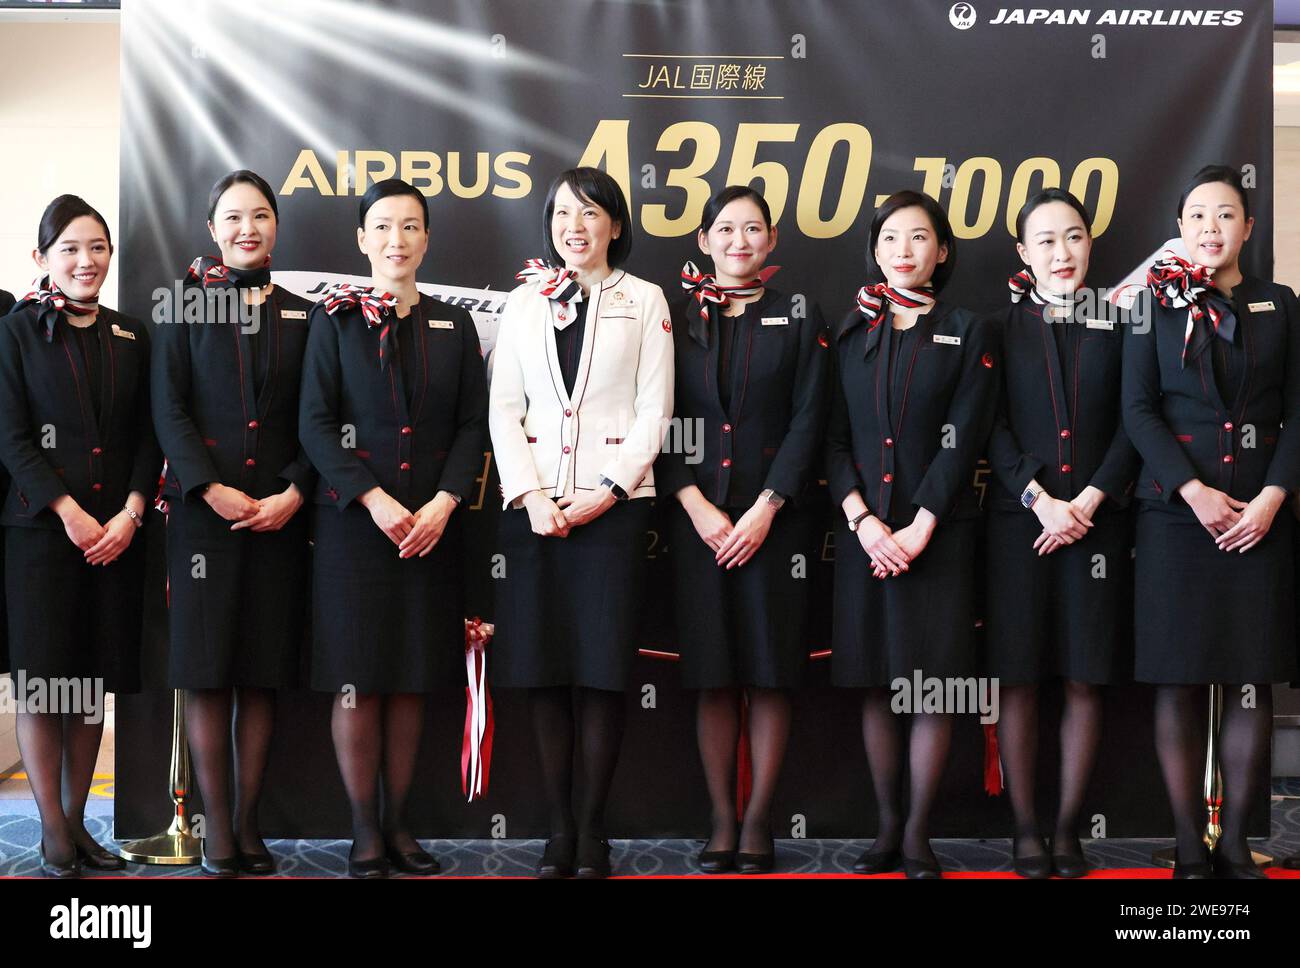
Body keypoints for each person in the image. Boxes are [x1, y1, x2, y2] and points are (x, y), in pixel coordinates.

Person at [299, 177, 488, 878]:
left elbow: (473, 425)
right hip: (355, 529)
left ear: (427, 240)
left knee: (410, 677)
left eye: (410, 227)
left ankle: (400, 824)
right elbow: (315, 425)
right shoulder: (334, 321)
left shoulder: (453, 323)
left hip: (432, 528)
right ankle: (362, 831)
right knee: (358, 680)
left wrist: (443, 503)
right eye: (382, 227)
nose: (396, 241)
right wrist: (374, 500)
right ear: (361, 239)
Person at [489, 166, 673, 878]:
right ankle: (557, 829)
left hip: (613, 515)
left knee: (599, 673)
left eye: (592, 213)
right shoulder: (523, 303)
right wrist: (530, 494)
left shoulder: (645, 299)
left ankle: (593, 830)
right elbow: (505, 409)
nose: (577, 226)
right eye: (564, 213)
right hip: (533, 516)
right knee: (544, 671)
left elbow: (654, 410)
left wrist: (605, 491)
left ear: (616, 226)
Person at [1123, 164, 1299, 879]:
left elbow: (1297, 412)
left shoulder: (1280, 305)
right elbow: (1138, 410)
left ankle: (1234, 842)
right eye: (1197, 216)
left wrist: (1272, 497)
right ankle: (1190, 844)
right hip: (1176, 519)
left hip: (1261, 517)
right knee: (1180, 680)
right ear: (1179, 227)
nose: (1210, 229)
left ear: (1248, 229)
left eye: (1225, 216)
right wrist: (1190, 490)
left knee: (1253, 678)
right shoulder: (1151, 307)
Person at [825, 190, 999, 878]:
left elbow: (966, 437)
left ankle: (920, 833)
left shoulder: (968, 329)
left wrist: (922, 524)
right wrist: (865, 522)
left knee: (930, 688)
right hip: (865, 540)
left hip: (939, 536)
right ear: (874, 248)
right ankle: (887, 828)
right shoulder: (851, 331)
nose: (904, 250)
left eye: (919, 237)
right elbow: (831, 440)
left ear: (943, 250)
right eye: (890, 237)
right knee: (875, 683)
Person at [655, 185, 829, 873]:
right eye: (725, 229)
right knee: (714, 675)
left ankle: (760, 825)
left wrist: (765, 507)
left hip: (775, 527)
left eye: (753, 229)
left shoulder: (799, 312)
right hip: (698, 524)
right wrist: (695, 503)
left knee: (771, 672)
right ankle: (721, 823)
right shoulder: (674, 316)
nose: (739, 240)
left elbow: (809, 419)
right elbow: (654, 417)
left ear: (772, 240)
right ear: (703, 240)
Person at [152, 169, 315, 876]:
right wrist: (209, 488)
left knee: (261, 675)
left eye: (260, 215)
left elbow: (321, 417)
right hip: (204, 525)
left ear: (276, 226)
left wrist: (295, 492)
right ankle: (218, 829)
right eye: (233, 218)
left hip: (280, 520)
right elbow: (168, 410)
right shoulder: (183, 307)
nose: (247, 228)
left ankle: (250, 827)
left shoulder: (306, 313)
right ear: (213, 230)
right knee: (211, 676)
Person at [0, 195, 159, 876]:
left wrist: (128, 513)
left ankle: (81, 825)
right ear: (42, 258)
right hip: (40, 534)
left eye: (97, 247)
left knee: (90, 684)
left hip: (116, 538)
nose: (86, 260)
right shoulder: (12, 333)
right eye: (69, 248)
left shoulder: (130, 334)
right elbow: (10, 439)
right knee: (45, 685)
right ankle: (54, 831)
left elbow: (147, 438)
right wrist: (69, 511)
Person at [984, 188, 1139, 878]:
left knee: (1083, 678)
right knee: (1017, 678)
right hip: (1022, 525)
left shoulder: (1124, 321)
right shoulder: (999, 328)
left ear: (1090, 243)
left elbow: (1137, 419)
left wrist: (1089, 502)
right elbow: (990, 427)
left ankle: (1069, 830)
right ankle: (1024, 831)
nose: (1061, 252)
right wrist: (1042, 499)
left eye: (1072, 237)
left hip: (1099, 529)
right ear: (1023, 253)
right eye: (1044, 240)